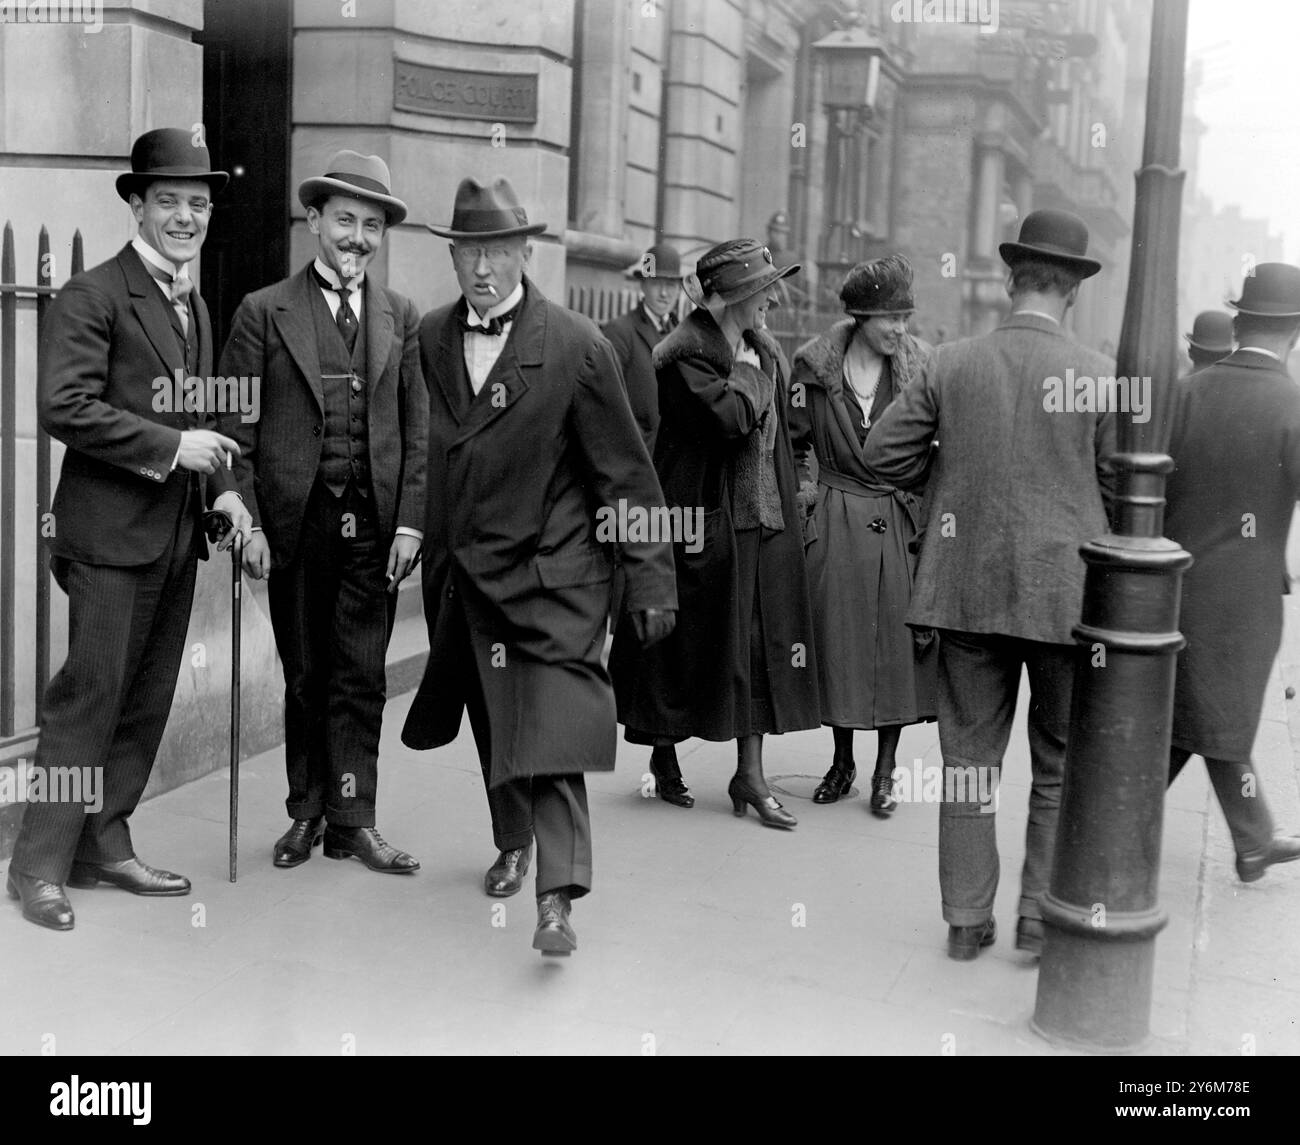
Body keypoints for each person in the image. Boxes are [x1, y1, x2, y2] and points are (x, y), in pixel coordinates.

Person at [402, 176, 677, 956]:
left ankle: (557, 898)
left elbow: (626, 474)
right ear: (452, 259)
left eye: (498, 250)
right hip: (473, 567)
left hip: (560, 570)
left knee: (554, 728)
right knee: (494, 719)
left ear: (526, 252)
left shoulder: (576, 347)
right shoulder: (428, 336)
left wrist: (651, 578)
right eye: (468, 253)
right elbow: (433, 451)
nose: (483, 268)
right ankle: (512, 838)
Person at [6, 128, 251, 931]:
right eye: (171, 201)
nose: (186, 217)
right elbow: (64, 406)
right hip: (107, 537)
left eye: (199, 204)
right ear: (138, 205)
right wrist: (172, 448)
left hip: (176, 535)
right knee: (88, 697)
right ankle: (38, 863)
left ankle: (104, 841)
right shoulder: (93, 293)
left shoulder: (196, 302)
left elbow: (205, 416)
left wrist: (225, 491)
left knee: (145, 700)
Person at [864, 209, 1117, 961]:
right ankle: (1038, 917)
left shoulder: (951, 362)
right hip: (1065, 596)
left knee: (970, 761)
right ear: (1072, 288)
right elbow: (1117, 485)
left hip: (965, 589)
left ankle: (966, 918)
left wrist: (948, 479)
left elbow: (881, 455)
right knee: (1061, 760)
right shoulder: (1098, 377)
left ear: (1012, 280)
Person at [219, 151, 427, 875]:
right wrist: (244, 519)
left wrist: (410, 522)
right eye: (346, 220)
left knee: (361, 675)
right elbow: (235, 430)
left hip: (372, 525)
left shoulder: (401, 316)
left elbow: (418, 428)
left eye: (372, 225)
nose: (359, 237)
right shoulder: (262, 311)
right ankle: (306, 812)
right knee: (307, 674)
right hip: (294, 525)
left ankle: (354, 819)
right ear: (314, 221)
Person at [612, 238, 821, 827]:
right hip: (698, 523)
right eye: (761, 290)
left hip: (758, 521)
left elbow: (775, 438)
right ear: (728, 298)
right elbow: (726, 420)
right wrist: (750, 382)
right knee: (688, 644)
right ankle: (663, 750)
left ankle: (749, 776)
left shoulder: (763, 350)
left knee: (754, 648)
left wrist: (791, 500)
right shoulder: (682, 357)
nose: (772, 299)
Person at [1165, 263, 1300, 883]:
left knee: (1199, 717)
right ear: (1294, 333)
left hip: (1172, 588)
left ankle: (1252, 840)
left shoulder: (1187, 392)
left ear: (1241, 321)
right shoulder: (1292, 403)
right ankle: (1098, 825)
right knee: (1213, 718)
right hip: (1246, 601)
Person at [789, 254, 937, 816]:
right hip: (835, 519)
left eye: (906, 316)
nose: (901, 328)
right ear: (859, 318)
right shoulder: (813, 369)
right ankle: (843, 760)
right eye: (889, 318)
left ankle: (885, 770)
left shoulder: (922, 370)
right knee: (841, 646)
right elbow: (795, 443)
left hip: (897, 520)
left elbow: (936, 451)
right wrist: (809, 503)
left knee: (896, 649)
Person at [602, 243, 684, 452]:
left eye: (671, 285)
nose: (664, 293)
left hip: (674, 459)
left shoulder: (683, 333)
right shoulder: (620, 331)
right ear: (643, 285)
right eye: (657, 284)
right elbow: (607, 402)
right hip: (639, 457)